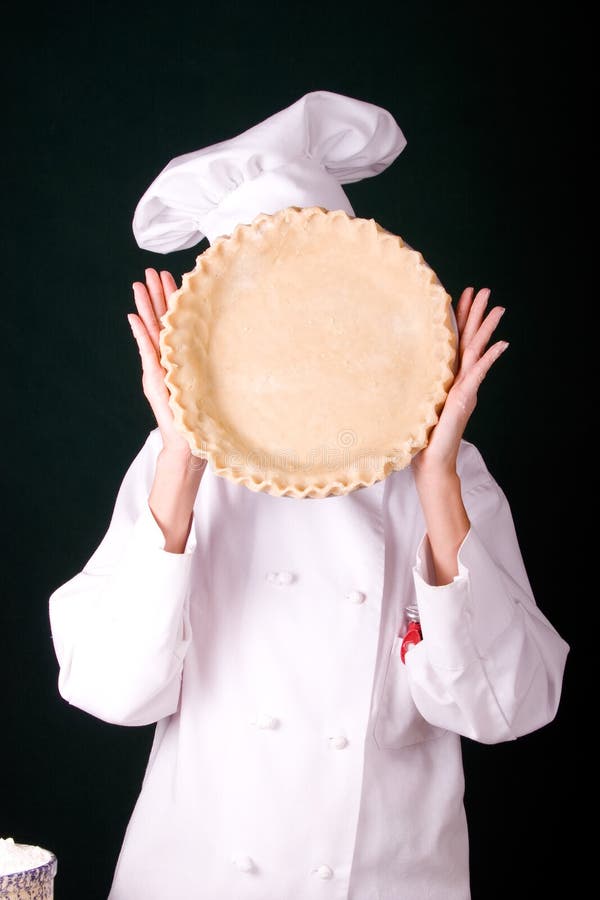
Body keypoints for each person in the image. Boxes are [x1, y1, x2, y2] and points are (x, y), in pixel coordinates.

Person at [48, 90, 569, 900]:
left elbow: (508, 709)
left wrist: (435, 475)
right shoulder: (174, 464)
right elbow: (109, 689)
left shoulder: (444, 470)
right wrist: (182, 454)